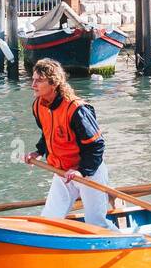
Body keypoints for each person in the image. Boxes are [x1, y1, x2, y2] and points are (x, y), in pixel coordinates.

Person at [22, 58, 118, 230]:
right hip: (62, 172)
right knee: (49, 220)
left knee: (96, 223)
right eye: (33, 79)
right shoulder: (38, 106)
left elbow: (96, 145)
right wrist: (38, 152)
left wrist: (81, 171)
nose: (33, 84)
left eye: (39, 80)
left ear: (53, 83)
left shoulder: (77, 110)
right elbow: (48, 134)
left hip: (89, 172)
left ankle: (130, 245)